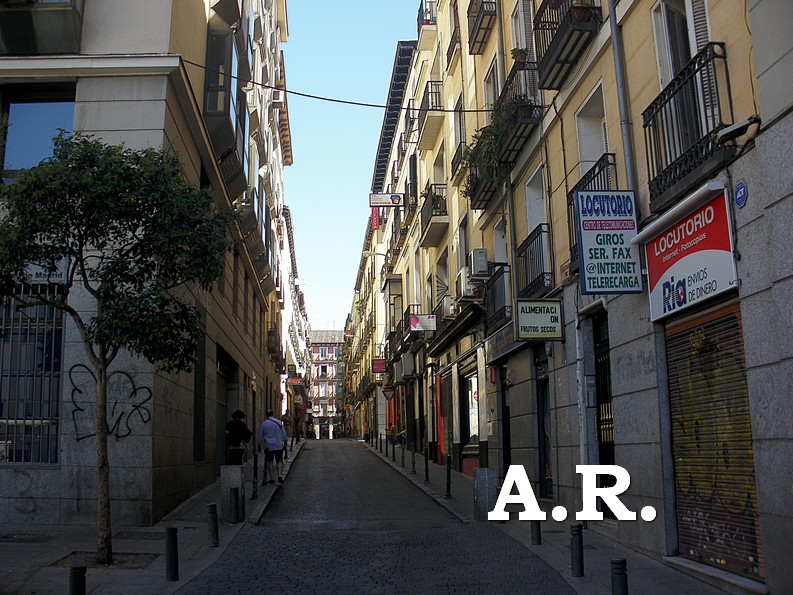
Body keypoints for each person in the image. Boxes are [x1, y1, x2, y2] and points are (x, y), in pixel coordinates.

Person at [258, 408, 288, 484]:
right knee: (279, 460)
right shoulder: (279, 422)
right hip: (278, 445)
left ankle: (272, 478)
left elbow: (260, 435)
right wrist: (285, 442)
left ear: (266, 415)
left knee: (270, 461)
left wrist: (259, 444)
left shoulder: (264, 424)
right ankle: (280, 475)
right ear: (273, 414)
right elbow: (284, 434)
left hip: (269, 445)